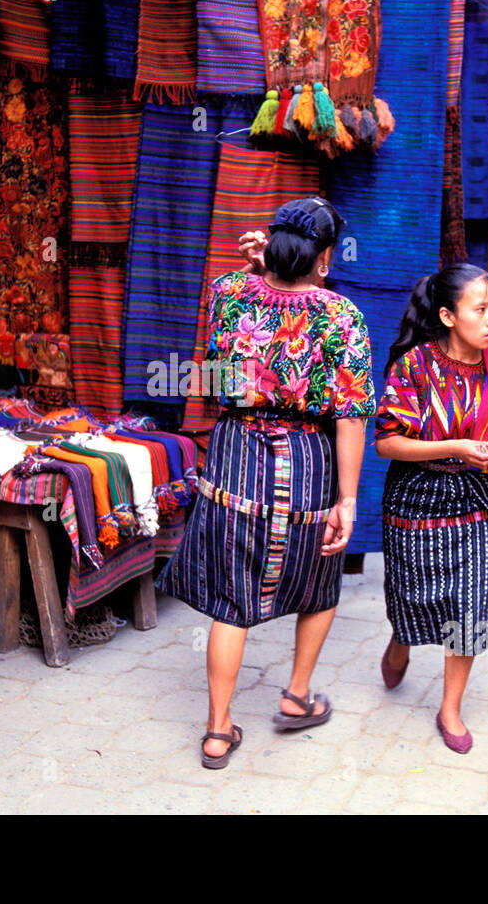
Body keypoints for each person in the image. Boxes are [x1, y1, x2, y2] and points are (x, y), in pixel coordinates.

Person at [156, 197, 376, 770]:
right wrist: (348, 500)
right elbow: (350, 415)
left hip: (236, 450)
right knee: (320, 578)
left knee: (232, 598)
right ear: (324, 257)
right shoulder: (342, 316)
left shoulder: (228, 292)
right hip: (306, 454)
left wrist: (255, 270)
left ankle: (216, 729)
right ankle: (297, 696)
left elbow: (246, 332)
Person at [372, 265, 488, 753]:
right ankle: (402, 637)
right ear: (448, 315)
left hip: (475, 498)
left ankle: (449, 708)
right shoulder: (414, 368)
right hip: (416, 499)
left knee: (469, 606)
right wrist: (458, 446)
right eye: (480, 309)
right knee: (412, 597)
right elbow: (388, 444)